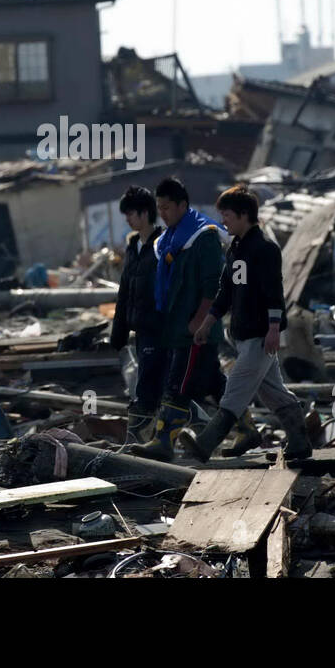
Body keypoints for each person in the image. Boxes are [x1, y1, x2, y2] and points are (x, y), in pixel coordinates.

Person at [179, 184, 311, 463]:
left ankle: (205, 444)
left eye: (226, 215)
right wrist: (207, 323)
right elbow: (225, 293)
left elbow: (273, 292)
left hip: (261, 335)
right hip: (243, 334)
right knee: (273, 392)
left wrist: (274, 328)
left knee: (235, 390)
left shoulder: (264, 249)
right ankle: (300, 443)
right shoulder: (236, 250)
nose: (223, 220)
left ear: (242, 215)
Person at [128, 177, 228, 462]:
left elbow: (214, 284)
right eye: (159, 208)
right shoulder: (169, 240)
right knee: (212, 383)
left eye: (168, 208)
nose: (163, 213)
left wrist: (200, 320)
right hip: (177, 328)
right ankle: (246, 428)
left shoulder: (202, 236)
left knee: (177, 385)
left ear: (183, 205)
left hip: (197, 328)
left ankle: (163, 441)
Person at [109, 186, 165, 446]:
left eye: (131, 213)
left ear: (145, 213)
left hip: (159, 329)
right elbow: (125, 292)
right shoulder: (133, 248)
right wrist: (118, 332)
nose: (127, 219)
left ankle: (138, 442)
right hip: (141, 330)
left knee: (148, 388)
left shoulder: (163, 246)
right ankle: (154, 441)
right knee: (156, 388)